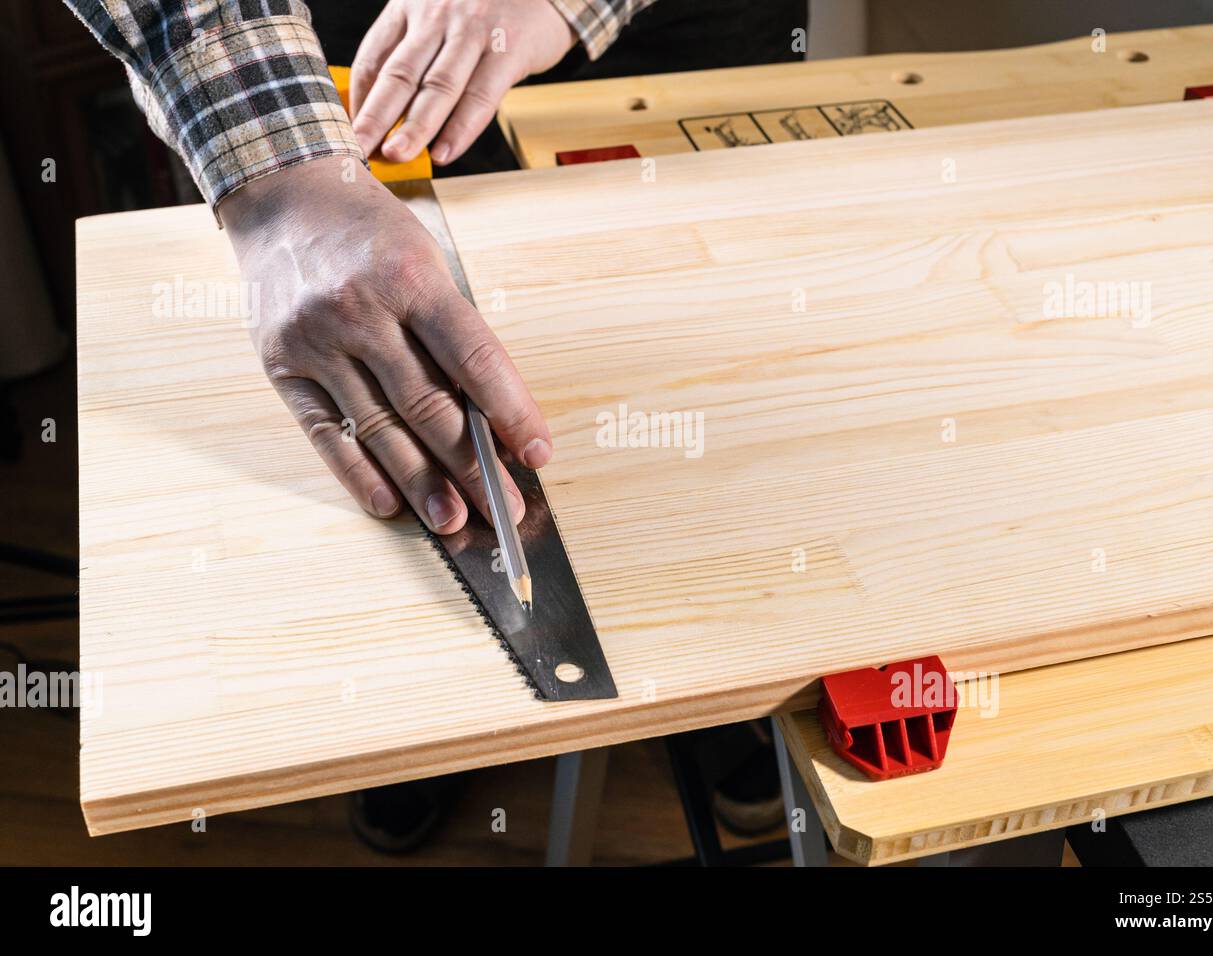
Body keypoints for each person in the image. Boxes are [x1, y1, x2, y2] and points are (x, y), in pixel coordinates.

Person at [66, 0, 806, 853]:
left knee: (689, 493)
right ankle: (440, 718)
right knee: (400, 378)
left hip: (679, 39)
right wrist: (285, 181)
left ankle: (705, 688)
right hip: (362, 35)